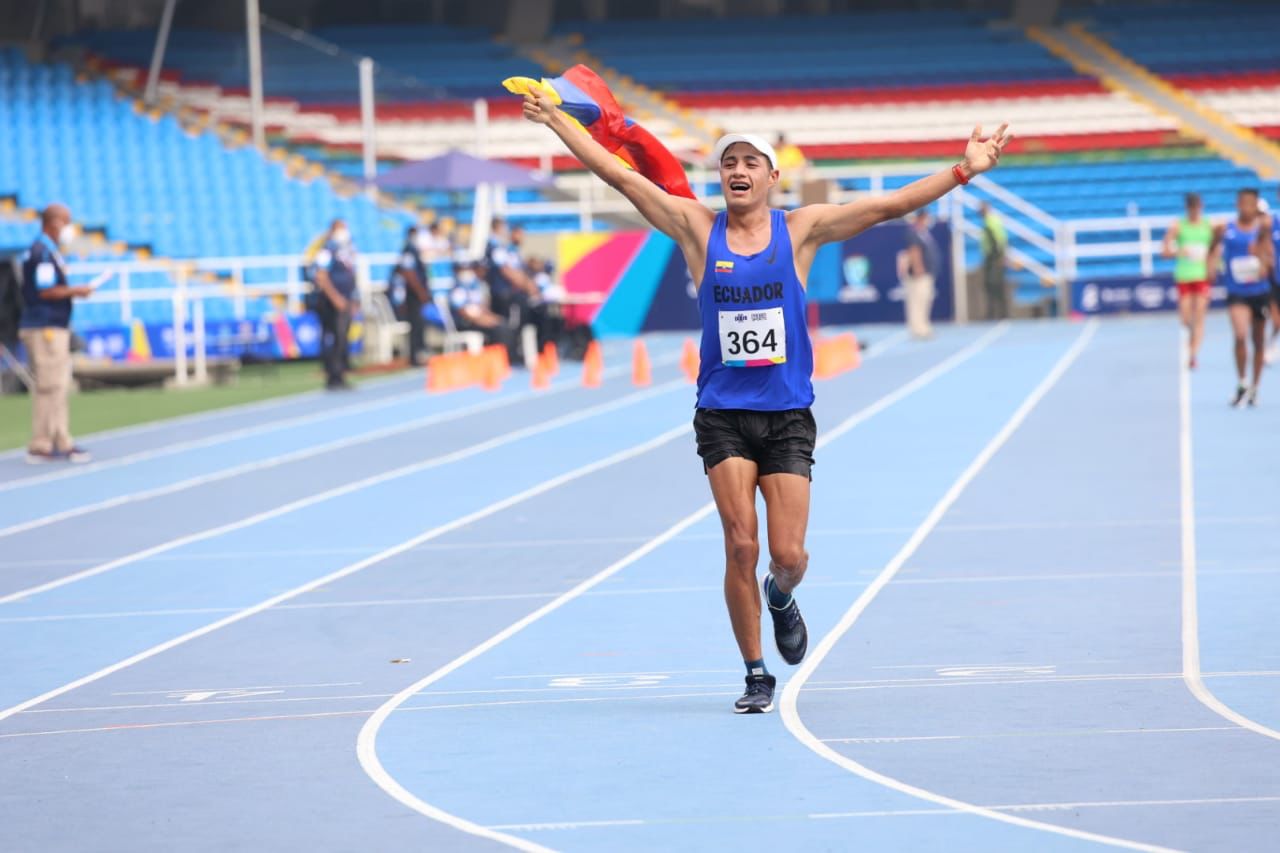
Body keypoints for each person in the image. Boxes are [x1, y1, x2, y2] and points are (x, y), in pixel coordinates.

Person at [522, 87, 1009, 713]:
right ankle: (755, 672)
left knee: (786, 555)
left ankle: (781, 596)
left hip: (786, 415)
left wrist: (963, 169)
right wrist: (558, 120)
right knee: (740, 545)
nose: (738, 171)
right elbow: (618, 175)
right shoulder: (696, 228)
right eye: (729, 162)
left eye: (751, 162)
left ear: (773, 176)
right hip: (722, 412)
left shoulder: (801, 230)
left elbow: (888, 205)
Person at [19, 203, 93, 463]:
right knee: (51, 386)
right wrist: (77, 291)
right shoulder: (42, 252)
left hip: (49, 325)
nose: (70, 227)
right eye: (67, 221)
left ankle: (55, 440)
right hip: (45, 327)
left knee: (53, 385)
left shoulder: (46, 251)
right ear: (55, 223)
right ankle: (47, 442)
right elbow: (45, 291)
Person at [1208, 188, 1267, 407]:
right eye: (1242, 203)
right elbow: (1212, 249)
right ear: (1237, 204)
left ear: (1255, 205)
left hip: (1260, 291)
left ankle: (1255, 387)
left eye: (1250, 204)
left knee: (1258, 341)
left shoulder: (1263, 229)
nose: (1246, 208)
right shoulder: (1226, 228)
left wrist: (1260, 257)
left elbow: (1269, 261)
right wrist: (1211, 265)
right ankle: (1242, 382)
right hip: (1237, 292)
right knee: (1240, 335)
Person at [1162, 193, 1213, 369]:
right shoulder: (1178, 225)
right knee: (1185, 318)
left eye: (1197, 206)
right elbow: (1164, 252)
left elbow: (1216, 248)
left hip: (1202, 276)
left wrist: (1213, 264)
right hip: (1183, 275)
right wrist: (1179, 251)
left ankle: (1192, 354)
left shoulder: (1208, 225)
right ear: (1187, 208)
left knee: (1199, 317)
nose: (1194, 209)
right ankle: (1192, 341)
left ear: (1201, 206)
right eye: (1191, 207)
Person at [311, 218, 359, 390]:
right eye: (341, 228)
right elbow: (321, 276)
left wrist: (353, 299)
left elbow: (351, 276)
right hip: (333, 302)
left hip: (346, 299)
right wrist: (335, 298)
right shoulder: (327, 250)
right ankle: (333, 375)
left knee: (343, 338)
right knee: (335, 338)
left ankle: (341, 372)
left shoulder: (346, 250)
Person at [393, 225, 431, 365]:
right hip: (412, 295)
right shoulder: (409, 251)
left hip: (416, 294)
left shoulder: (414, 251)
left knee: (420, 325)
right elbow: (409, 274)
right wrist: (421, 292)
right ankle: (414, 356)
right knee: (415, 325)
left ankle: (420, 353)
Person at [901, 210, 940, 340]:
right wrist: (918, 268)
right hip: (919, 275)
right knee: (917, 301)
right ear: (922, 217)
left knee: (925, 301)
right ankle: (917, 328)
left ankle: (923, 325)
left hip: (927, 272)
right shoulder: (914, 233)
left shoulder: (923, 233)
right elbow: (914, 251)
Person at [979, 201, 1009, 320]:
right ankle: (994, 312)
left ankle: (1000, 313)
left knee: (995, 285)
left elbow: (998, 241)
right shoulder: (990, 221)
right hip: (990, 257)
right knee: (991, 285)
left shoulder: (991, 222)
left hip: (994, 258)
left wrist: (999, 257)